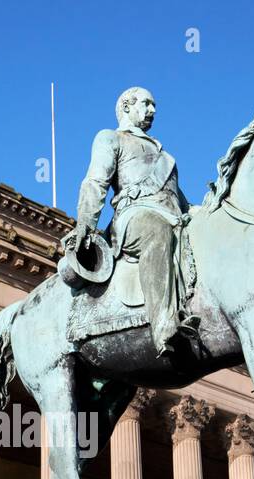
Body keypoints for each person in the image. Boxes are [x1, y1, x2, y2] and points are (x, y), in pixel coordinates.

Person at [69, 87, 192, 357]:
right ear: (126, 106)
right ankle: (164, 327)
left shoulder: (162, 153)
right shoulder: (111, 138)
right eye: (147, 104)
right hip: (134, 216)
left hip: (172, 215)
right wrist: (86, 223)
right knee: (156, 233)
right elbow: (95, 181)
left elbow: (179, 199)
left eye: (154, 106)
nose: (153, 111)